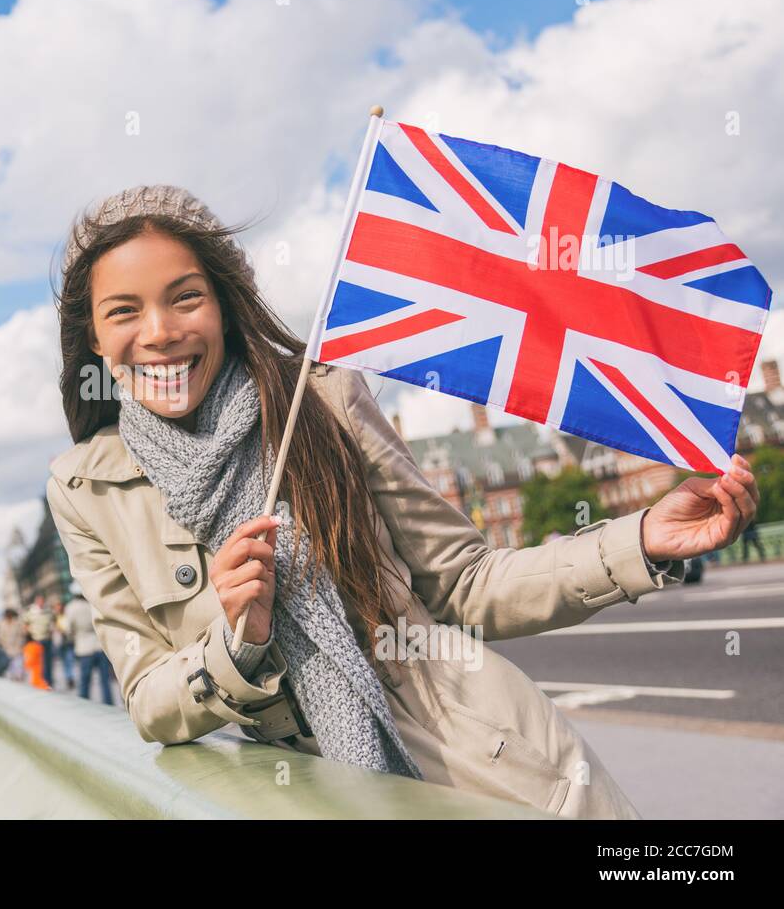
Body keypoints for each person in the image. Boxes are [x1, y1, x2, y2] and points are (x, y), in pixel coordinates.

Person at [44, 184, 760, 820]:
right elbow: (148, 700)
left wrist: (638, 543)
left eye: (185, 297)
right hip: (314, 794)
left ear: (224, 306)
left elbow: (463, 583)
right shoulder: (84, 490)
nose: (161, 331)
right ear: (96, 338)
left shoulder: (325, 402)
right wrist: (238, 642)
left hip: (491, 763)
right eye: (124, 311)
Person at [65, 592, 114, 704]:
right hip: (99, 646)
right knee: (105, 681)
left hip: (84, 647)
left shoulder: (71, 607)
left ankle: (84, 705)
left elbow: (68, 629)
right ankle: (109, 704)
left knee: (85, 682)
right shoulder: (91, 603)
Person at [23, 595, 55, 686]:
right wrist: (29, 636)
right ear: (36, 602)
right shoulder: (31, 612)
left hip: (47, 639)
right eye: (39, 601)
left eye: (42, 601)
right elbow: (25, 624)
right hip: (36, 640)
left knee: (48, 662)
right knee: (38, 663)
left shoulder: (48, 611)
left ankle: (48, 682)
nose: (41, 603)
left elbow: (53, 621)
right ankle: (39, 681)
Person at [0, 608, 28, 681]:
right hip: (5, 652)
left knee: (19, 673)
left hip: (18, 651)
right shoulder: (1, 624)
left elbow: (24, 634)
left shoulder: (18, 623)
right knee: (7, 674)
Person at [53, 598, 76, 689]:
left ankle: (70, 678)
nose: (58, 608)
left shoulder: (67, 615)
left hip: (68, 641)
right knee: (64, 661)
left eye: (59, 606)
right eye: (56, 607)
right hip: (59, 642)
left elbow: (70, 627)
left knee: (69, 660)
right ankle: (68, 677)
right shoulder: (54, 617)